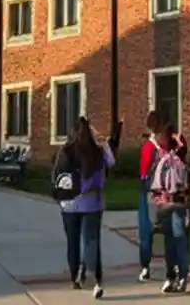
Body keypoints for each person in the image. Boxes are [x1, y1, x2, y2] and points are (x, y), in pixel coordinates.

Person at [54, 117, 115, 299]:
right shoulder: (95, 152)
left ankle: (74, 277)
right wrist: (103, 142)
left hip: (69, 203)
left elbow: (56, 175)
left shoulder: (65, 151)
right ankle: (94, 275)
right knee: (91, 240)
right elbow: (111, 162)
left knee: (73, 241)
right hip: (91, 203)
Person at [149, 123, 190, 294]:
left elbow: (156, 186)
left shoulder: (164, 162)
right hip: (180, 204)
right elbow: (188, 184)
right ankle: (182, 276)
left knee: (170, 243)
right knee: (180, 241)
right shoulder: (181, 162)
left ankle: (170, 277)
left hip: (166, 205)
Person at [136, 111, 164, 282]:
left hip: (150, 193)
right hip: (170, 193)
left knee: (146, 230)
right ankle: (174, 265)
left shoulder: (148, 147)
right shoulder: (172, 143)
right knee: (170, 231)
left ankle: (145, 267)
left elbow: (143, 173)